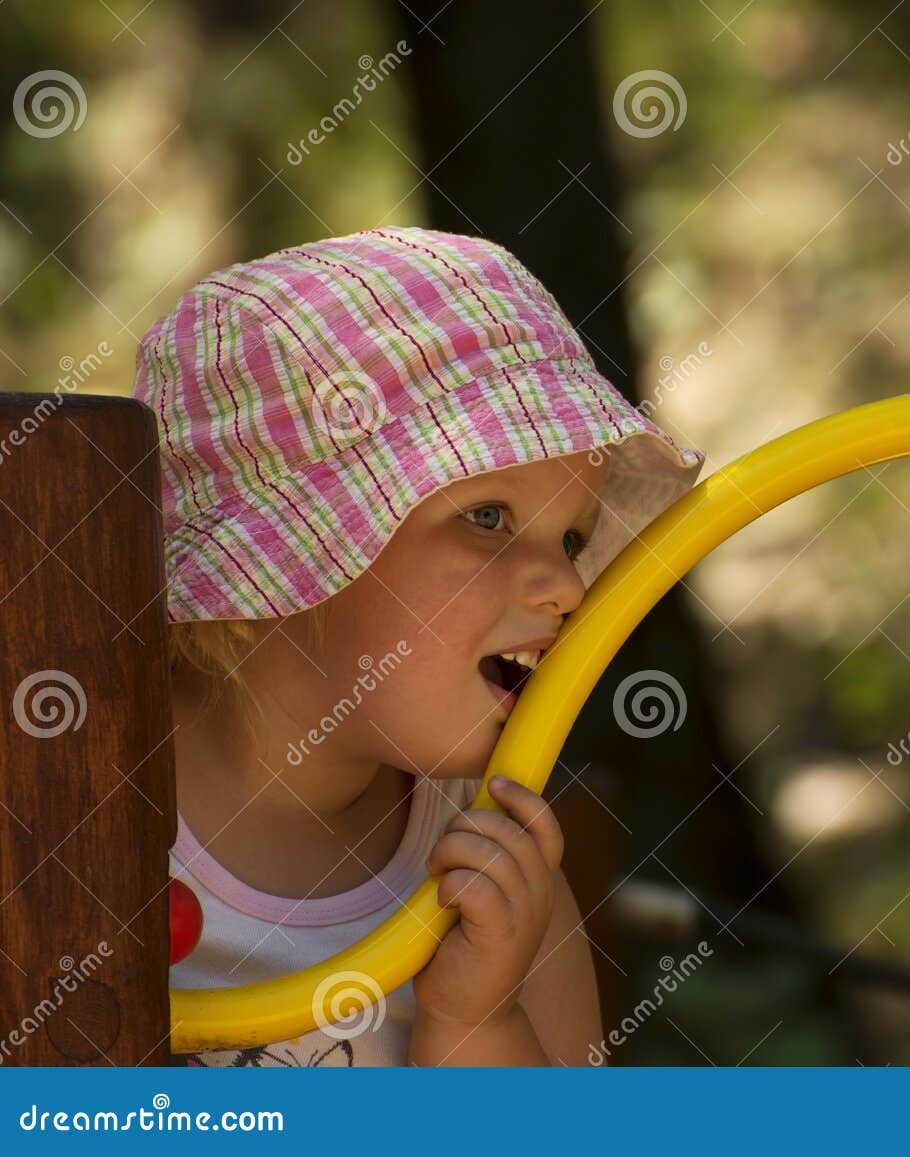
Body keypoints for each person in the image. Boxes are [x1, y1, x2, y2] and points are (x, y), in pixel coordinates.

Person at [135, 227, 705, 1065]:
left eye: (575, 540)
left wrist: (481, 1021)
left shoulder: (499, 879)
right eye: (487, 518)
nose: (569, 589)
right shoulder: (70, 813)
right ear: (289, 559)